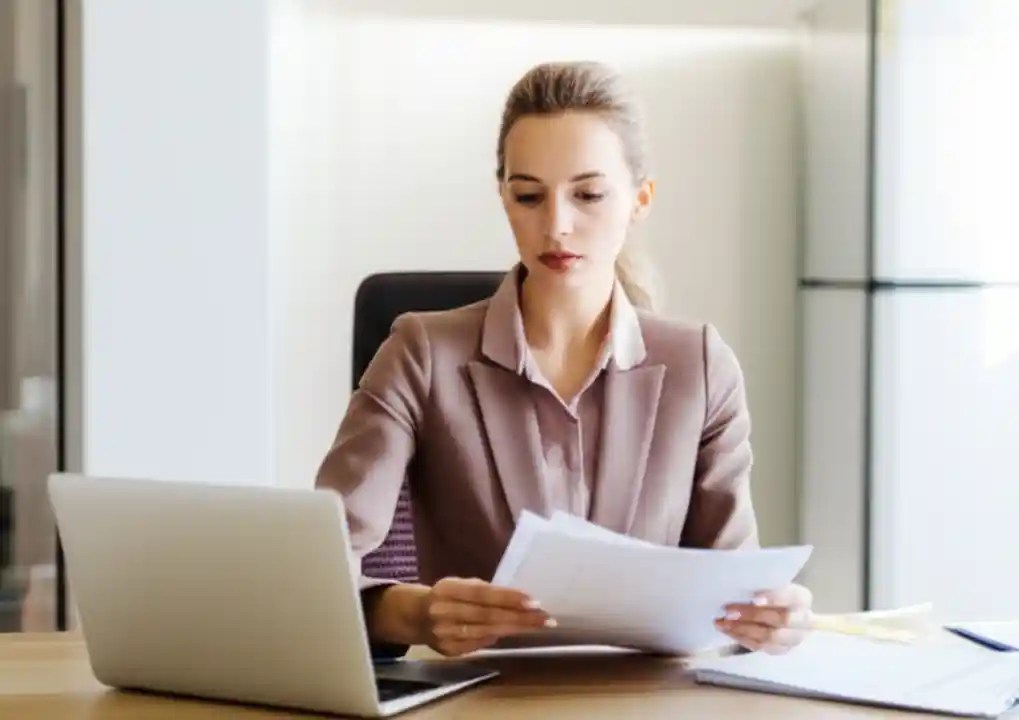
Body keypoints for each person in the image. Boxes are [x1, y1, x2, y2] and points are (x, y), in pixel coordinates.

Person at [316, 60, 812, 658]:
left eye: (589, 194)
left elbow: (736, 585)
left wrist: (770, 619)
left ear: (640, 199)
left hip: (648, 704)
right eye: (529, 195)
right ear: (504, 197)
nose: (556, 225)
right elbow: (320, 564)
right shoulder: (420, 353)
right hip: (482, 700)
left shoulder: (701, 367)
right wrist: (415, 615)